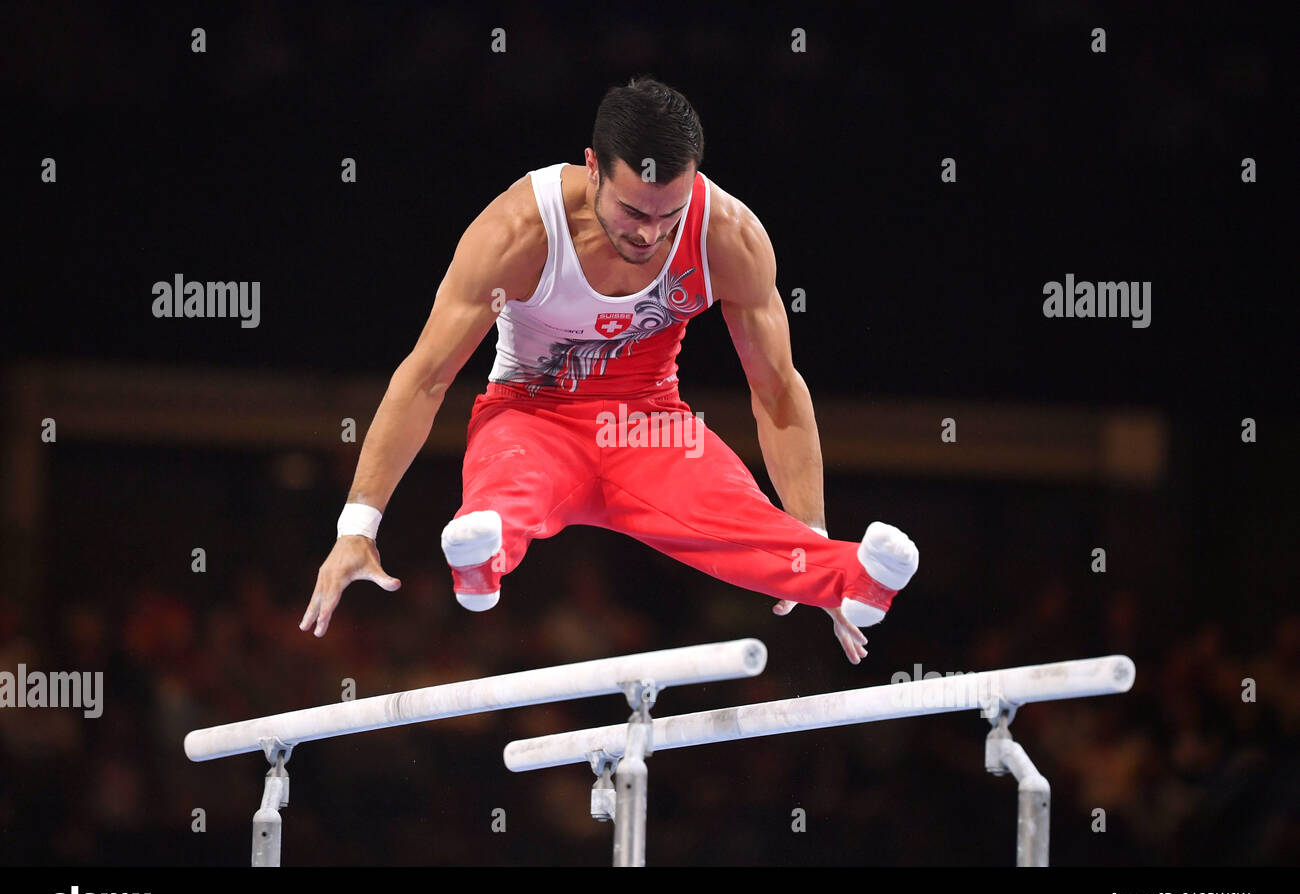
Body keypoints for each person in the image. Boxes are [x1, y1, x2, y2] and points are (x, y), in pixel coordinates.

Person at [300, 77, 918, 663]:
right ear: (593, 165)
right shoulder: (518, 231)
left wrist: (806, 548)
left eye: (667, 215)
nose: (650, 234)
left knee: (739, 514)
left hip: (647, 425)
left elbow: (778, 391)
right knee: (507, 490)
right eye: (633, 212)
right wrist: (358, 525)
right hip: (534, 414)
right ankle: (481, 558)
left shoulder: (728, 236)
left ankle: (846, 575)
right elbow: (425, 376)